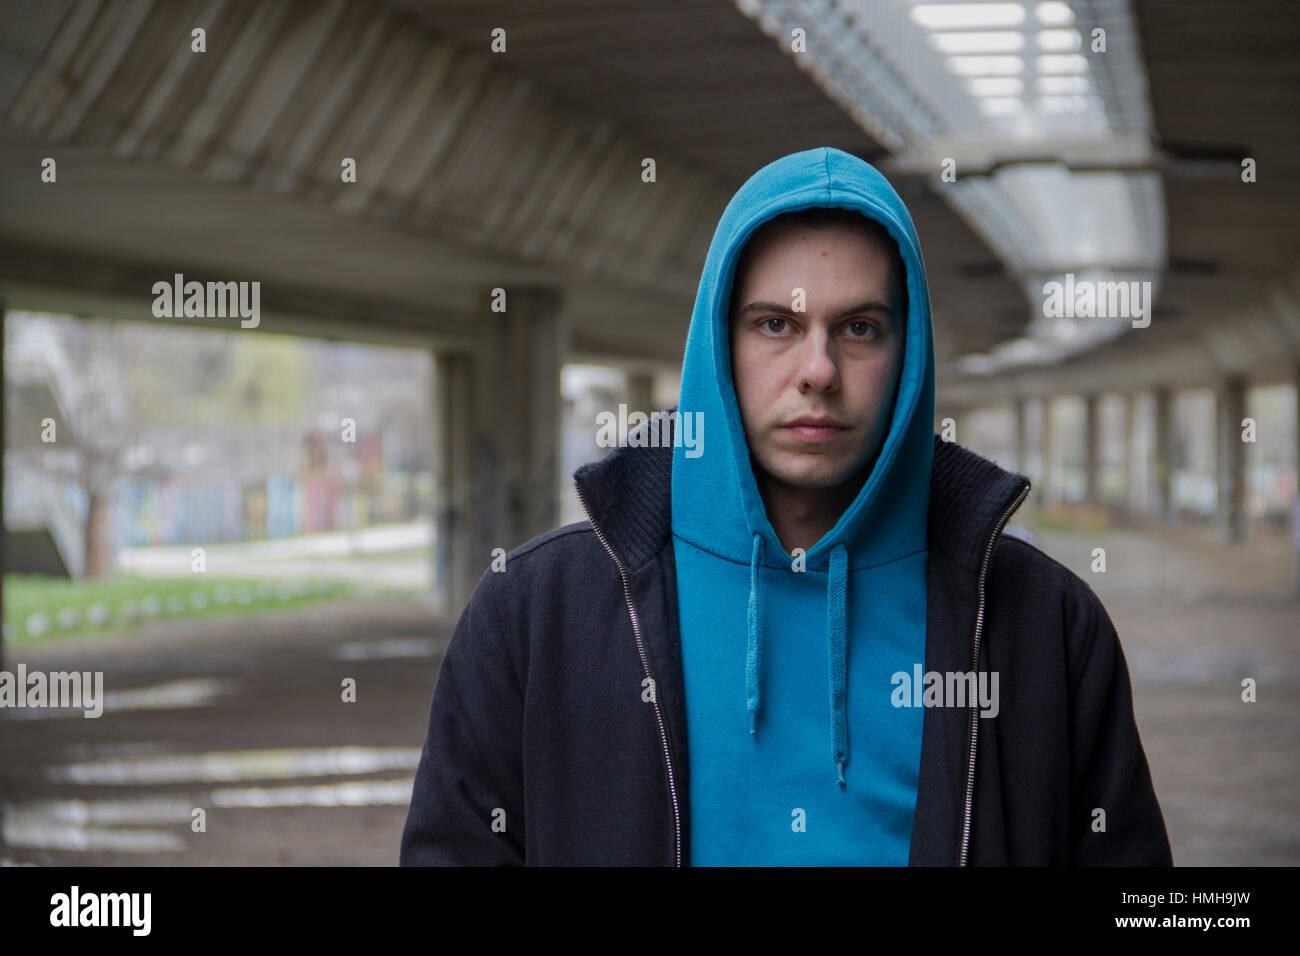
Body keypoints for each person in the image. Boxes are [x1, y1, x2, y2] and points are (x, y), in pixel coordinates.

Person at [400, 146, 1173, 866]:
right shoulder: (536, 615)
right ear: (718, 345)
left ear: (911, 355)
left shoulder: (1042, 625)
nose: (818, 370)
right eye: (776, 324)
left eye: (860, 329)